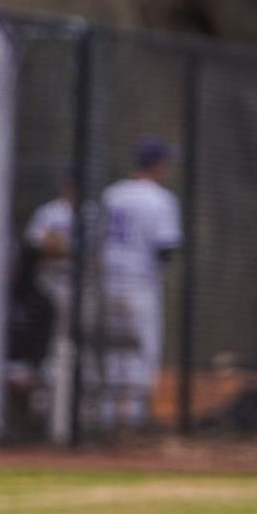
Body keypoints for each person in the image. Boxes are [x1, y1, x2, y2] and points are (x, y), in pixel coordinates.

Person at [96, 139, 182, 430]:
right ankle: (133, 419)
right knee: (142, 349)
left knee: (110, 349)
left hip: (105, 281)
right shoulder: (160, 198)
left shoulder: (112, 194)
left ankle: (106, 418)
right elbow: (166, 248)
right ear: (158, 164)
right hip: (139, 283)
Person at [22, 172, 79, 440]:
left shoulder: (90, 214)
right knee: (50, 350)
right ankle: (41, 413)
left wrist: (64, 248)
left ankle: (66, 420)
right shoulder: (52, 212)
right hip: (50, 287)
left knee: (72, 352)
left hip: (78, 289)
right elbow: (40, 246)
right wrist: (69, 250)